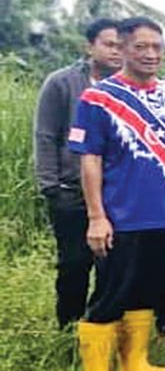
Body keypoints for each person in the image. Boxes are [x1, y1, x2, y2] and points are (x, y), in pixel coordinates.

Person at [68, 17, 165, 371]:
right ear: (122, 48)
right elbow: (89, 159)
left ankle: (134, 361)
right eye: (141, 46)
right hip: (121, 217)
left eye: (157, 47)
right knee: (111, 291)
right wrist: (96, 215)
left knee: (147, 289)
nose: (150, 54)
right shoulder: (98, 98)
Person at [34, 18, 121, 327]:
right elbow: (45, 135)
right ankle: (68, 327)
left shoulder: (125, 88)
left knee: (111, 264)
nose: (116, 51)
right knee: (74, 263)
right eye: (109, 44)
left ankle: (100, 328)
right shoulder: (62, 82)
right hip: (70, 190)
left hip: (114, 192)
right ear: (90, 46)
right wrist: (51, 187)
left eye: (121, 45)